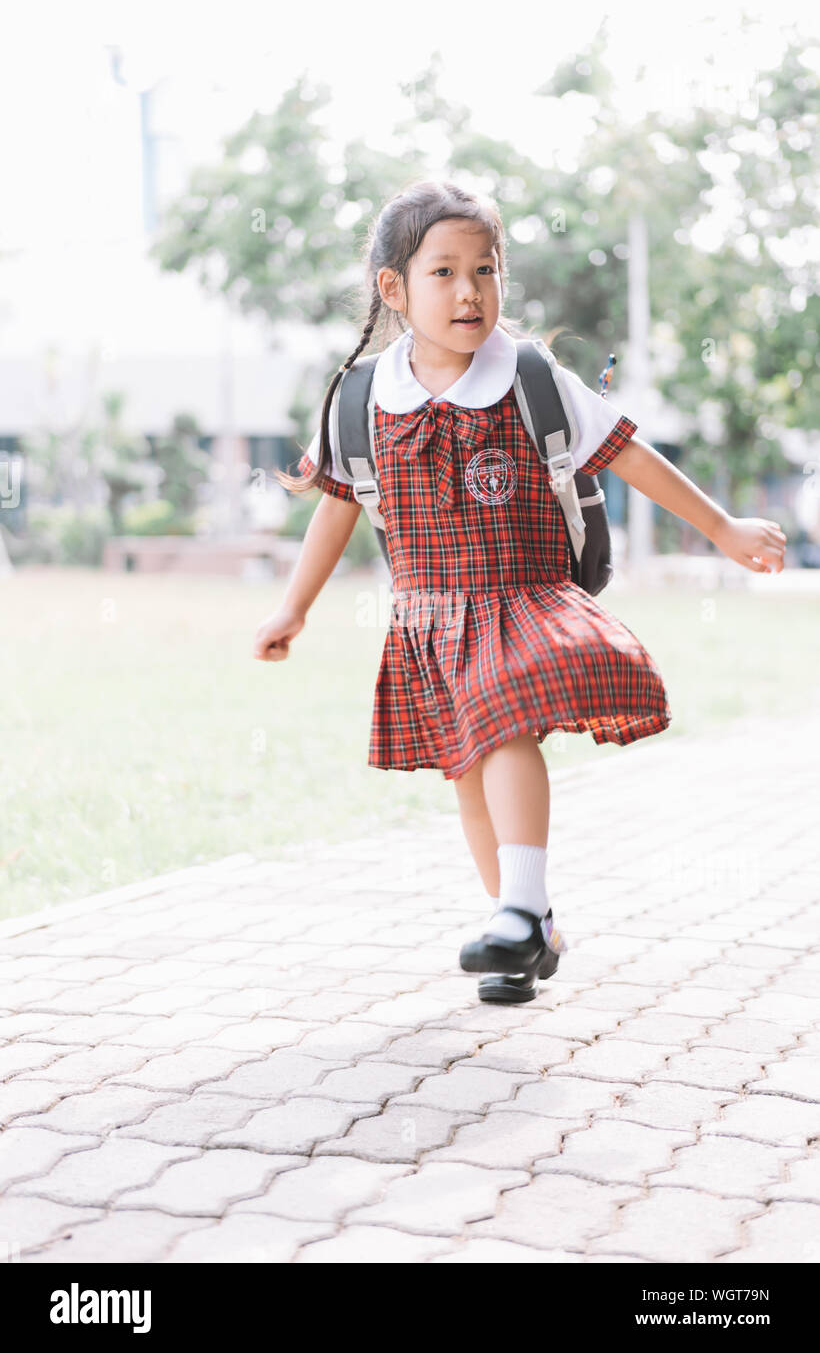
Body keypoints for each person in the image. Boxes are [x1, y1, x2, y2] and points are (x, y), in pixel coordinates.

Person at [252, 178, 787, 1005]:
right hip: (430, 617)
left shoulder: (530, 376)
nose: (470, 291)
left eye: (486, 269)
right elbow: (336, 507)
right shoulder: (361, 399)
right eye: (444, 273)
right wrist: (294, 607)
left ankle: (523, 910)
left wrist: (722, 529)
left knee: (502, 729)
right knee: (467, 776)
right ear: (393, 289)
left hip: (520, 597)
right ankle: (524, 931)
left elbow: (628, 453)